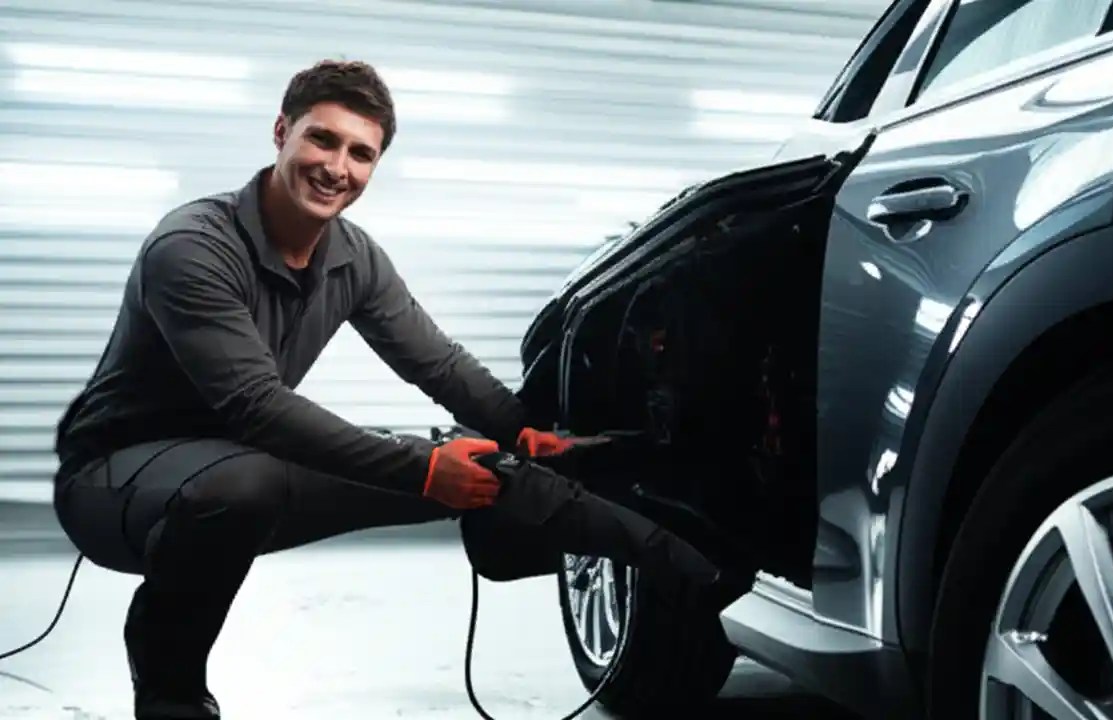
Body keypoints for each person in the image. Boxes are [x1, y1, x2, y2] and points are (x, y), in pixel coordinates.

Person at [51, 59, 722, 720]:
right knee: (245, 486)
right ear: (281, 131)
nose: (337, 167)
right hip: (115, 481)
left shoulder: (353, 256)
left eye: (361, 153)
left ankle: (699, 576)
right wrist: (424, 469)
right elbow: (255, 406)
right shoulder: (193, 246)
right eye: (322, 138)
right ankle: (171, 690)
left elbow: (435, 361)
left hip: (241, 459)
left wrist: (520, 429)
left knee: (489, 470)